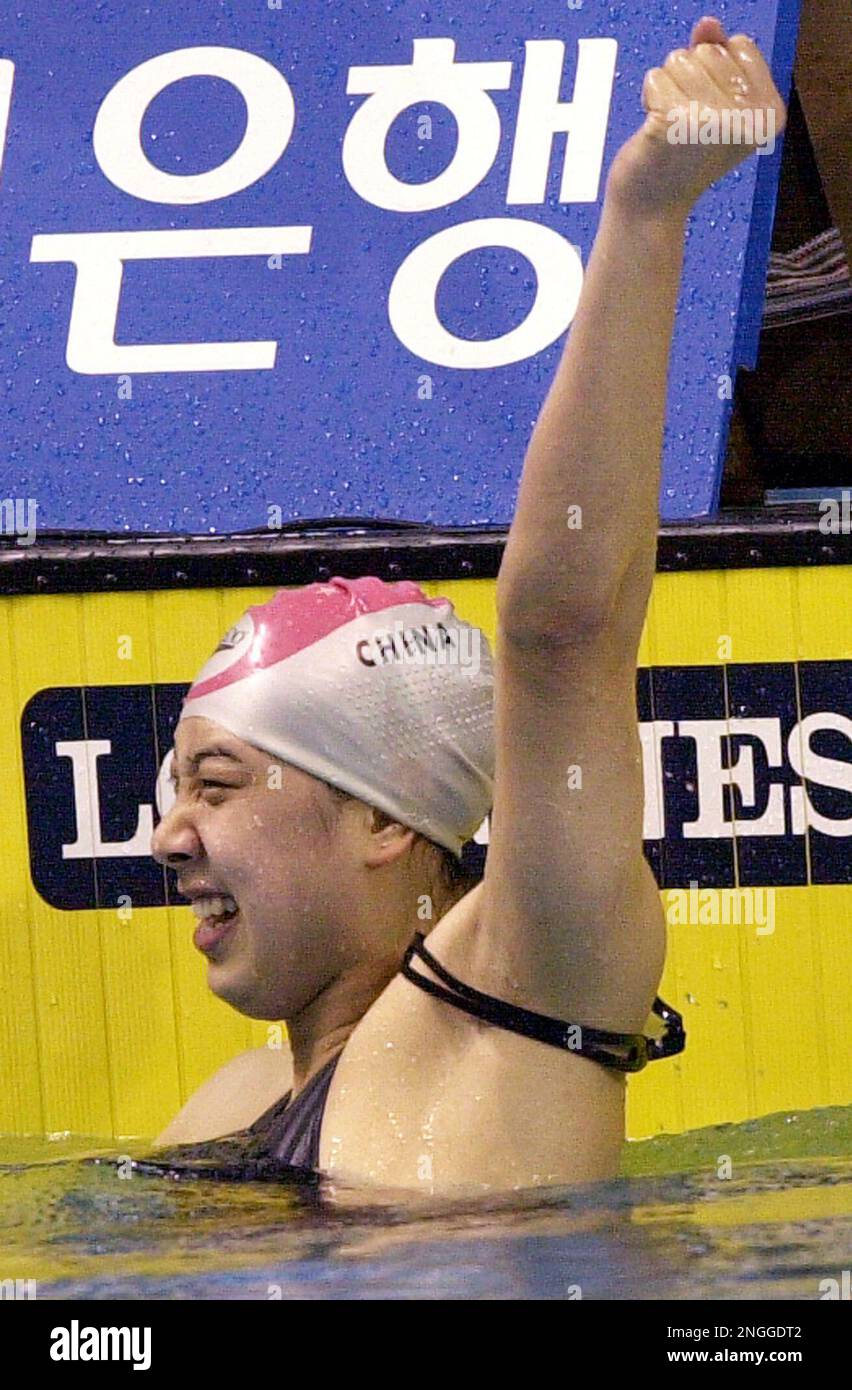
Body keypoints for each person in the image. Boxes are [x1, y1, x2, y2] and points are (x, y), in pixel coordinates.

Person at [149, 16, 786, 1193]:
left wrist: (648, 215)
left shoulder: (523, 990)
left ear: (386, 823)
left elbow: (563, 633)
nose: (166, 835)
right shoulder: (234, 1107)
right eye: (174, 786)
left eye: (218, 784)